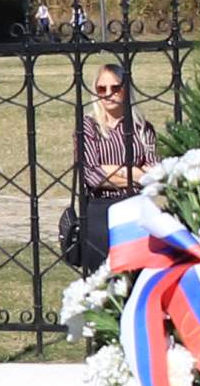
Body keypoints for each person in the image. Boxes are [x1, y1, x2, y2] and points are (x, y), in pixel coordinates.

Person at [64, 60, 149, 273]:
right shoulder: (88, 126)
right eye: (102, 89)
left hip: (135, 211)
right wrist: (133, 172)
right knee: (102, 280)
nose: (108, 94)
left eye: (115, 88)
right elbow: (91, 175)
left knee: (136, 278)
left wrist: (111, 170)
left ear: (126, 89)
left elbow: (154, 173)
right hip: (100, 212)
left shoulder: (142, 128)